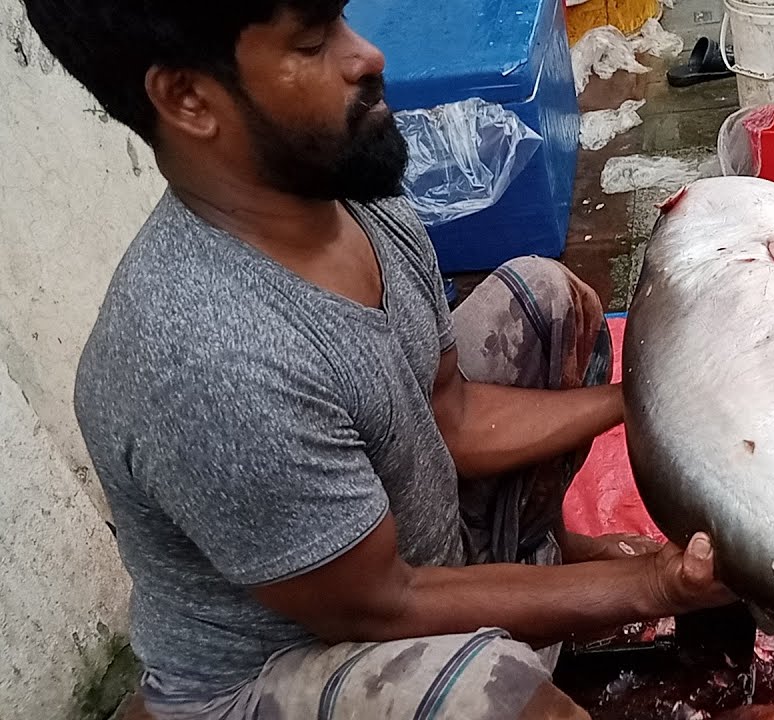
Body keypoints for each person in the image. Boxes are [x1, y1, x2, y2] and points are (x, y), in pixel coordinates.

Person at [21, 2, 735, 718]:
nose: (367, 56)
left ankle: (539, 565)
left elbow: (450, 415)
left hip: (409, 564)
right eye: (312, 42)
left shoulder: (349, 192)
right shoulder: (210, 360)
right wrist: (656, 585)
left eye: (341, 21)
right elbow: (384, 606)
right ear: (188, 99)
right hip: (285, 664)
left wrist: (639, 397)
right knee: (495, 698)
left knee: (551, 301)